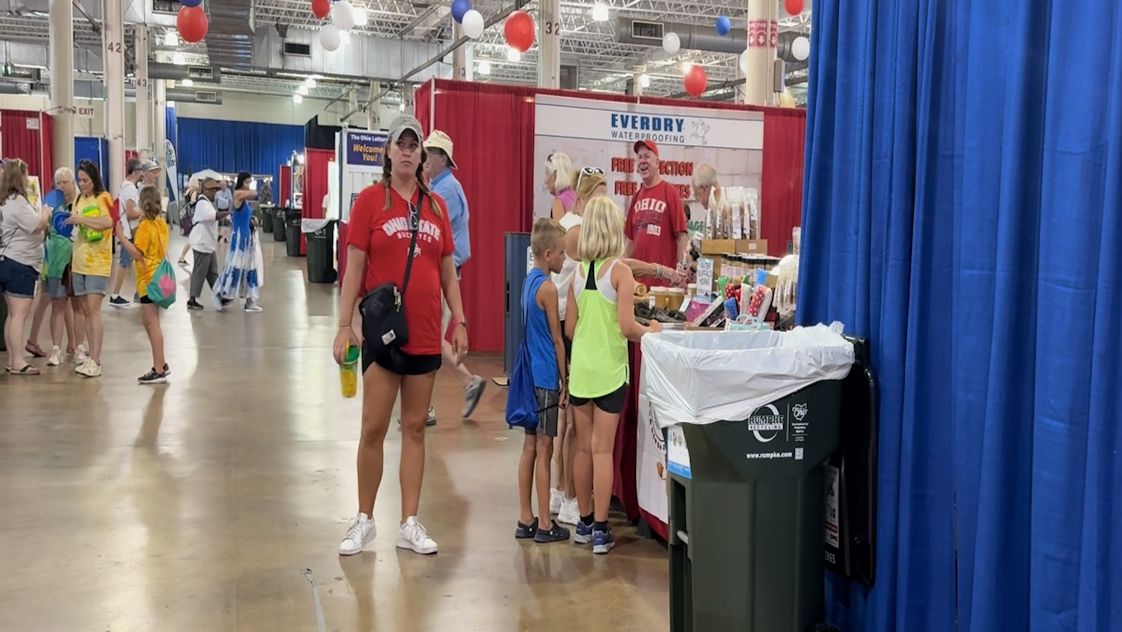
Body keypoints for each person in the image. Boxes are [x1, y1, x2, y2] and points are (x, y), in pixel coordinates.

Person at [333, 115, 468, 557]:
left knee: (414, 427)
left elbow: (447, 270)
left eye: (415, 145)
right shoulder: (371, 202)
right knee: (373, 427)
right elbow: (354, 267)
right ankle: (364, 518)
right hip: (383, 334)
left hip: (425, 334)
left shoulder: (436, 207)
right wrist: (344, 325)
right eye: (401, 144)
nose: (408, 152)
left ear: (422, 155)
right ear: (388, 152)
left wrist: (460, 319)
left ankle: (409, 521)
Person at [565, 196, 662, 554]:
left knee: (583, 448)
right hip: (609, 371)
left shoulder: (576, 274)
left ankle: (584, 522)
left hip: (581, 372)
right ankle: (602, 530)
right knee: (602, 450)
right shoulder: (620, 272)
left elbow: (571, 328)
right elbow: (627, 327)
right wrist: (652, 331)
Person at [549, 165, 605, 526]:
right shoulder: (579, 232)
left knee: (566, 418)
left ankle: (559, 489)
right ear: (584, 196)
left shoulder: (570, 224)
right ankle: (570, 496)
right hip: (568, 329)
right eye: (600, 195)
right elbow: (611, 267)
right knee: (572, 420)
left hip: (563, 325)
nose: (605, 202)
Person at [422, 129, 486, 424]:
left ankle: (429, 404)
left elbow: (431, 231)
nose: (424, 158)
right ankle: (465, 384)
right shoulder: (442, 186)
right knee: (430, 339)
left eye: (429, 153)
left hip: (441, 274)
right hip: (442, 272)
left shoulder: (445, 191)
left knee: (429, 340)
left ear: (442, 158)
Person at [514, 218, 571, 544]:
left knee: (529, 447)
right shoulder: (548, 289)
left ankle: (526, 517)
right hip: (546, 376)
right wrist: (565, 379)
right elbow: (557, 339)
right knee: (545, 449)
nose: (564, 258)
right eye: (561, 253)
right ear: (548, 254)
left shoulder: (528, 282)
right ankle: (546, 524)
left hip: (528, 374)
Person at [0, 159, 50, 375]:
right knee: (19, 315)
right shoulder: (18, 202)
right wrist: (46, 213)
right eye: (25, 174)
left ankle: (13, 360)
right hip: (19, 264)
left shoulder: (4, 201)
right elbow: (36, 225)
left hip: (7, 260)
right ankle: (18, 361)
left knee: (12, 315)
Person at [67, 159, 115, 378]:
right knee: (85, 310)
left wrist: (82, 219)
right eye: (79, 180)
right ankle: (90, 355)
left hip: (98, 262)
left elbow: (108, 222)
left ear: (94, 179)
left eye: (85, 180)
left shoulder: (104, 198)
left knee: (94, 310)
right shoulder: (78, 199)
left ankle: (96, 359)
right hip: (79, 261)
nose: (82, 184)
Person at [122, 187, 170, 384]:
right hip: (158, 276)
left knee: (152, 323)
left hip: (148, 279)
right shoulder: (161, 224)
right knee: (147, 320)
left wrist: (122, 237)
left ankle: (159, 368)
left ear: (142, 205)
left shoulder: (145, 228)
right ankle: (161, 362)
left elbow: (137, 254)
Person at [626, 140, 689, 287]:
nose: (642, 161)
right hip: (638, 285)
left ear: (657, 163)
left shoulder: (670, 192)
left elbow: (681, 237)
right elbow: (629, 241)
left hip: (663, 285)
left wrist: (680, 276)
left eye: (647, 156)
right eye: (639, 157)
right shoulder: (636, 197)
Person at [37, 167, 81, 366]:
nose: (62, 186)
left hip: (78, 263)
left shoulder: (81, 203)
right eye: (59, 183)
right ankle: (56, 349)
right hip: (56, 263)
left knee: (78, 307)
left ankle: (79, 347)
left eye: (66, 182)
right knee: (58, 306)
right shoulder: (51, 203)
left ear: (73, 183)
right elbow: (43, 227)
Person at [212, 172, 263, 312]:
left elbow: (243, 214)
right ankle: (220, 293)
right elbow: (254, 194)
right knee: (234, 267)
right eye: (247, 182)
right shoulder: (237, 194)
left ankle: (249, 301)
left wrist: (251, 219)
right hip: (239, 239)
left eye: (250, 182)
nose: (249, 185)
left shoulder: (242, 198)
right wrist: (250, 189)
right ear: (241, 182)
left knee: (248, 268)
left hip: (246, 238)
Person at [186, 175, 228, 311]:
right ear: (205, 190)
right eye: (212, 190)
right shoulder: (202, 203)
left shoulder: (207, 202)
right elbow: (214, 215)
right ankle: (192, 300)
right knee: (199, 272)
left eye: (215, 190)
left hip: (208, 244)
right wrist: (229, 213)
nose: (214, 193)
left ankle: (220, 296)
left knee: (212, 272)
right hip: (202, 243)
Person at [109, 158, 144, 307]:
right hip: (127, 232)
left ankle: (138, 292)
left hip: (125, 230)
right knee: (124, 262)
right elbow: (130, 212)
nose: (142, 173)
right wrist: (144, 213)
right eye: (141, 170)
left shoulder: (125, 187)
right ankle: (115, 294)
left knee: (131, 261)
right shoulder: (130, 189)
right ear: (135, 172)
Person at [545, 152, 577, 220]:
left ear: (556, 175)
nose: (545, 181)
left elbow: (557, 227)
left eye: (547, 174)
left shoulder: (558, 202)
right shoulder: (577, 196)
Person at [178, 183, 200, 266]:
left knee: (192, 239)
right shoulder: (193, 192)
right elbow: (192, 203)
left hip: (188, 217)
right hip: (192, 218)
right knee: (192, 240)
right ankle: (182, 257)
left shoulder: (188, 191)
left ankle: (182, 257)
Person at [214, 179, 233, 246]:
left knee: (226, 225)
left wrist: (229, 210)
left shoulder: (228, 192)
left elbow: (230, 201)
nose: (223, 186)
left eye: (224, 185)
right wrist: (216, 209)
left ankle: (225, 237)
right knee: (219, 224)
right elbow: (215, 201)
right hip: (219, 210)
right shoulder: (218, 193)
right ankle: (220, 235)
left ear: (226, 185)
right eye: (222, 185)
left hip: (226, 210)